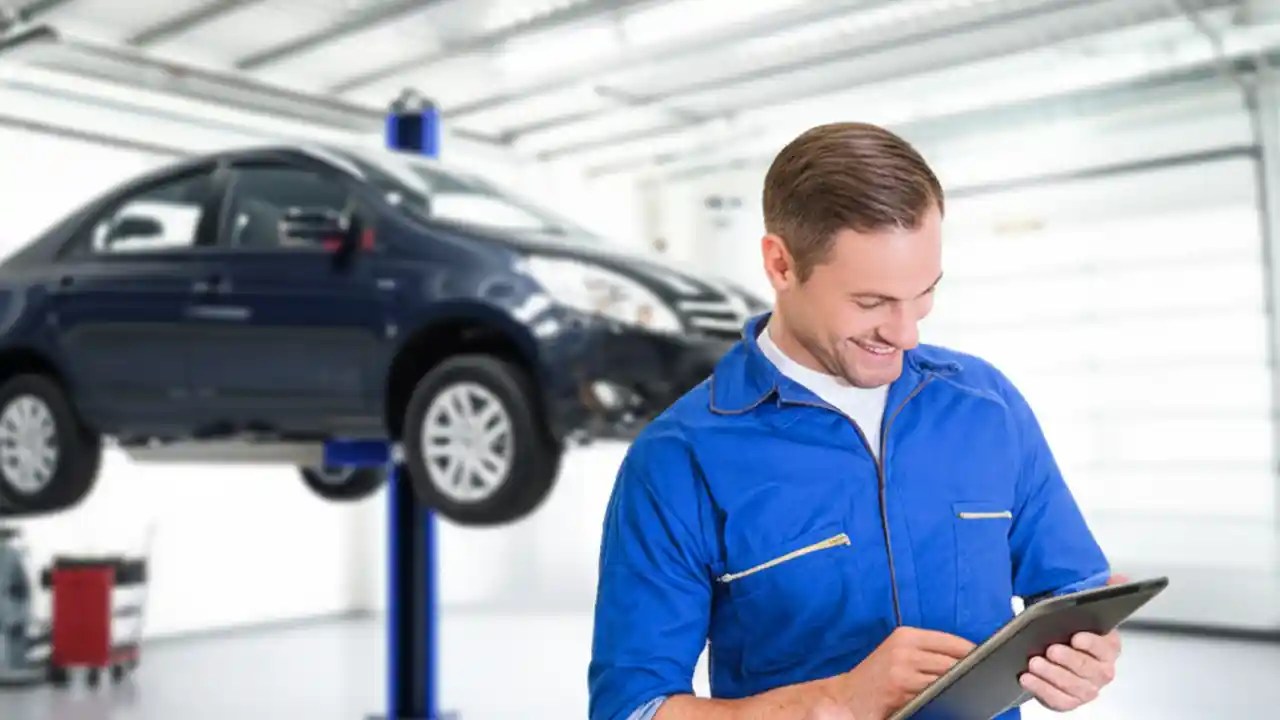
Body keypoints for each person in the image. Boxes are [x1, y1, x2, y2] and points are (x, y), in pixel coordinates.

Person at [587, 122, 1124, 720]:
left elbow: (1072, 591)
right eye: (870, 303)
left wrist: (1084, 655)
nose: (905, 333)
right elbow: (631, 709)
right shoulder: (677, 460)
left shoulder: (986, 404)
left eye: (923, 294)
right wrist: (834, 702)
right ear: (781, 264)